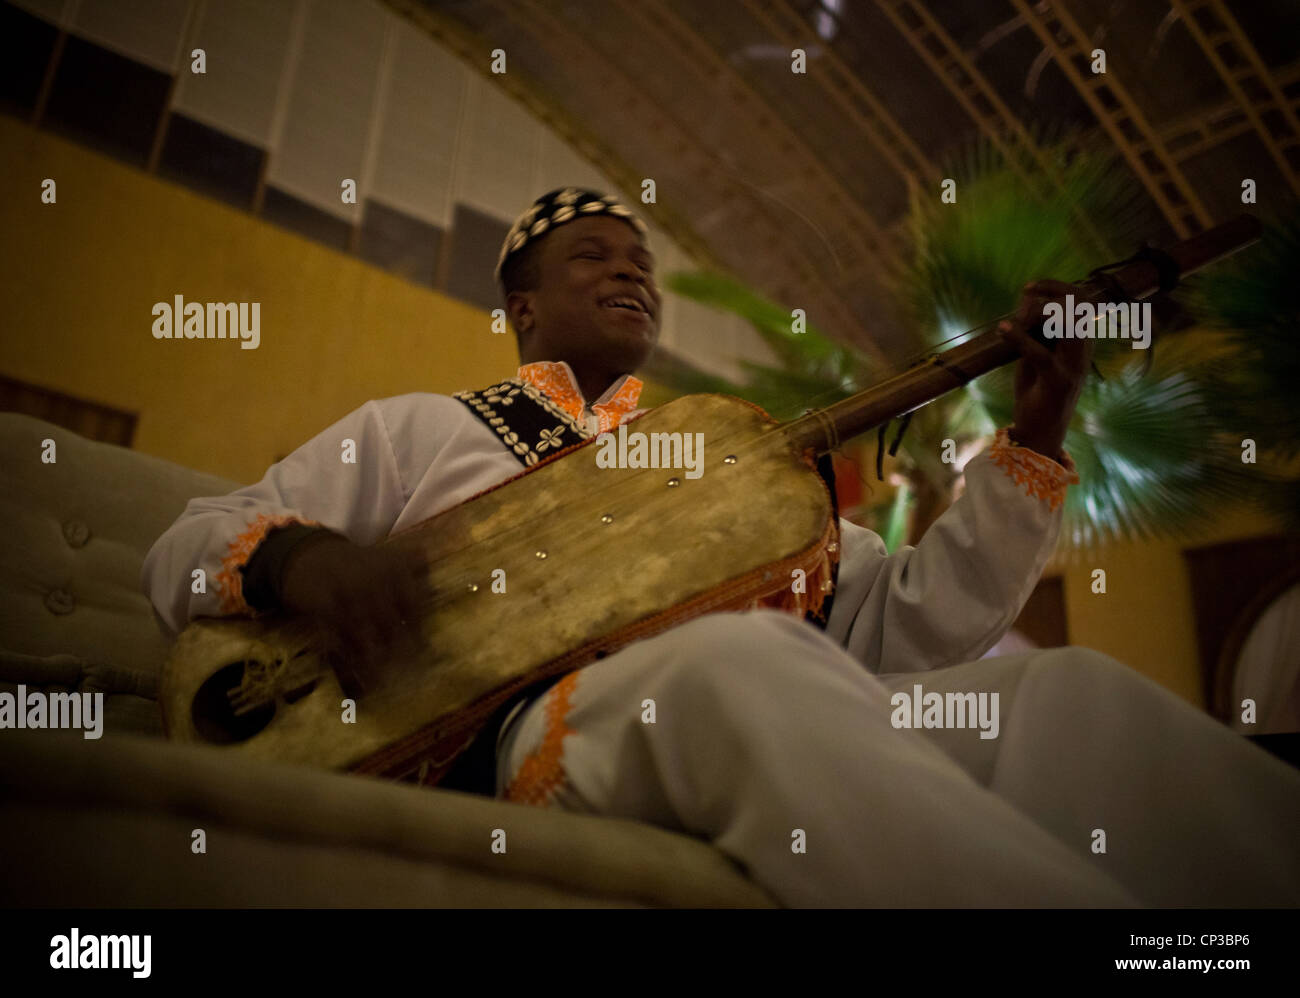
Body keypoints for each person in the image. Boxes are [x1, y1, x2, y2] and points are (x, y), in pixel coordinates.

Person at [142, 187, 1300, 907]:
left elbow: (913, 623)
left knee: (1069, 697)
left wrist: (1035, 425)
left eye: (637, 257)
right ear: (524, 310)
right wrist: (314, 564)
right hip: (519, 739)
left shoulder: (716, 466)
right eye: (589, 254)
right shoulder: (422, 429)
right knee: (740, 666)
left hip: (755, 693)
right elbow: (191, 545)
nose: (627, 268)